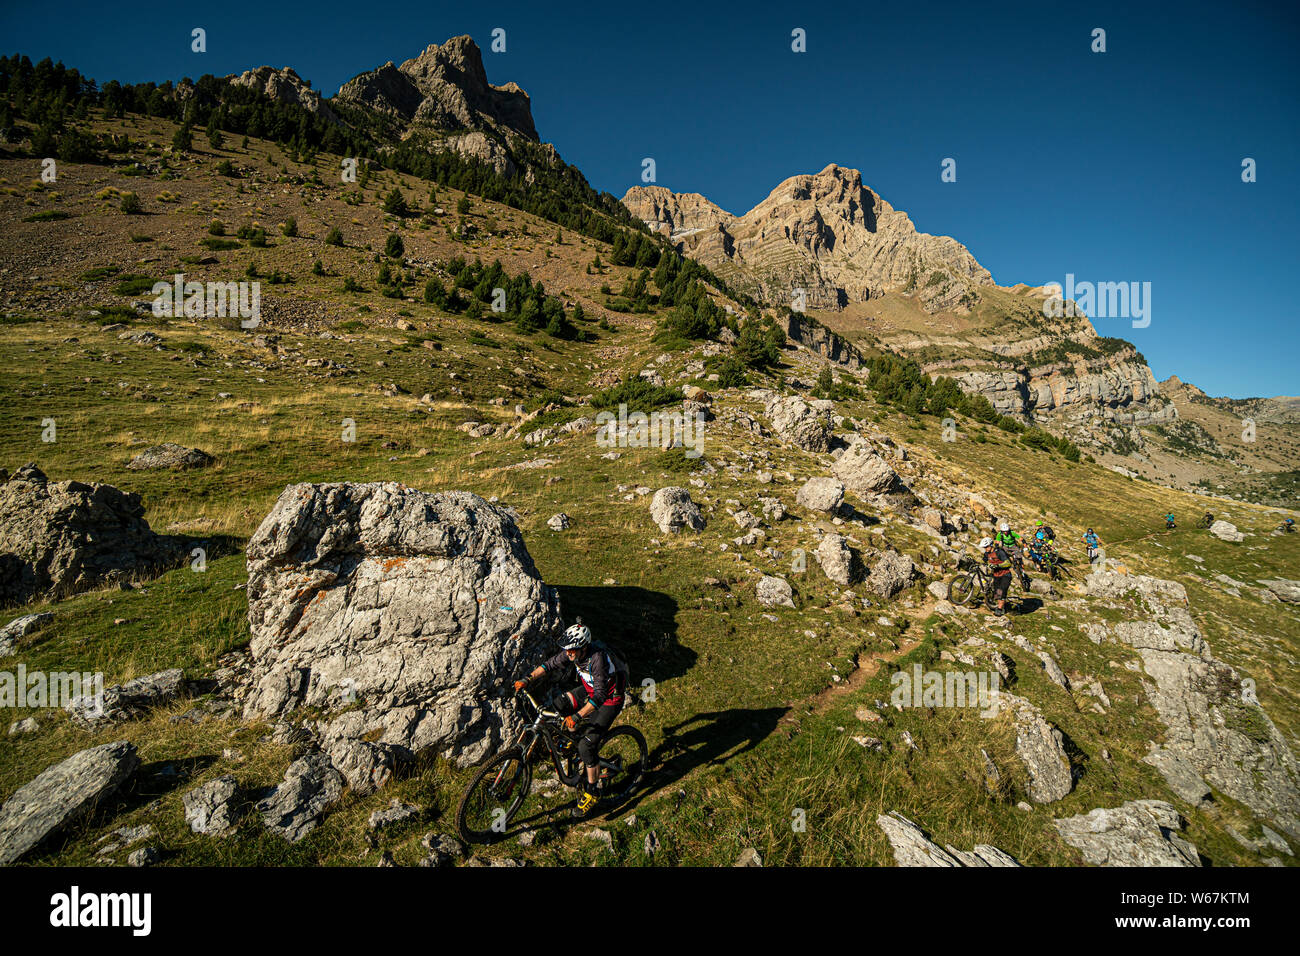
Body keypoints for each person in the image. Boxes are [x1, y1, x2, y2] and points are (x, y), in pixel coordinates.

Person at [513, 623, 629, 819]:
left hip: (609, 699)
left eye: (573, 649)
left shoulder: (597, 659)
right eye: (567, 649)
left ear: (584, 647)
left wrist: (577, 716)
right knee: (559, 704)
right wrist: (528, 679)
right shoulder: (571, 653)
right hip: (590, 690)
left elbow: (600, 696)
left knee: (586, 746)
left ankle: (592, 791)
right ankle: (571, 740)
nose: (568, 653)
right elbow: (550, 664)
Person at [980, 536, 1013, 616]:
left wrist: (998, 566)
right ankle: (1001, 607)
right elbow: (984, 561)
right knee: (997, 593)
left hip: (1005, 575)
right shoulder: (986, 554)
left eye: (987, 547)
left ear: (991, 545)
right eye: (984, 547)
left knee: (1001, 591)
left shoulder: (999, 552)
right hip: (996, 575)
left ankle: (999, 609)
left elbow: (1008, 563)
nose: (986, 549)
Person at [995, 521, 1031, 589]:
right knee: (1005, 557)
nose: (1005, 532)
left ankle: (1022, 569)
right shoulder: (1000, 534)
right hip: (1005, 547)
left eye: (1006, 531)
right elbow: (997, 541)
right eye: (1004, 531)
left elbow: (1020, 538)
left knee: (1019, 557)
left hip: (1013, 546)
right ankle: (1013, 567)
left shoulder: (1012, 533)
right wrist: (996, 547)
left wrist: (1024, 544)